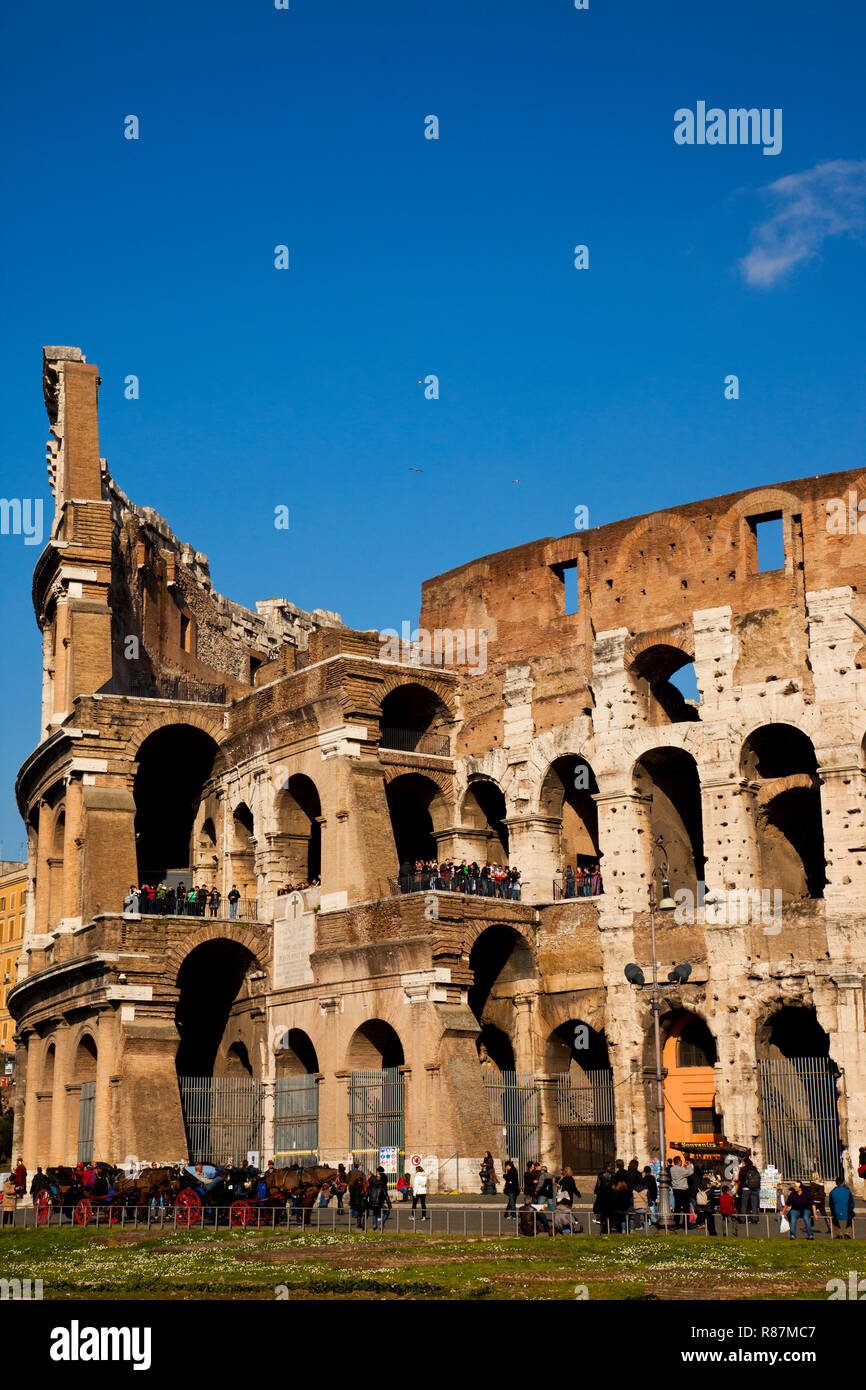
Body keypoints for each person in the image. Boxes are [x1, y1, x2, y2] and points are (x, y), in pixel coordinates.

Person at [669, 1155, 694, 1228]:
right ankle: (686, 1224)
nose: (682, 1162)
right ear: (678, 1162)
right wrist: (690, 1165)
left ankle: (676, 1223)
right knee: (686, 1208)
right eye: (681, 1161)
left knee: (677, 1207)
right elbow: (690, 1172)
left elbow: (682, 1171)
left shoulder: (672, 1169)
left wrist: (684, 1167)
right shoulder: (680, 1169)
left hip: (676, 1189)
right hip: (683, 1190)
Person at [829, 1174, 855, 1239]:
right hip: (847, 1212)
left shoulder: (832, 1191)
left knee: (833, 1218)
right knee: (852, 1216)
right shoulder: (848, 1191)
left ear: (836, 1183)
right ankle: (847, 1233)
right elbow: (852, 1203)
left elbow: (830, 1204)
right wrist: (851, 1209)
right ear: (843, 1182)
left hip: (836, 1212)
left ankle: (839, 1234)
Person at [737, 1159, 761, 1225]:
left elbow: (739, 1179)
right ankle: (755, 1219)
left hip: (745, 1189)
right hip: (754, 1189)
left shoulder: (743, 1170)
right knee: (754, 1205)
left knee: (744, 1205)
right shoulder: (754, 1169)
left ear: (744, 1163)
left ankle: (743, 1219)